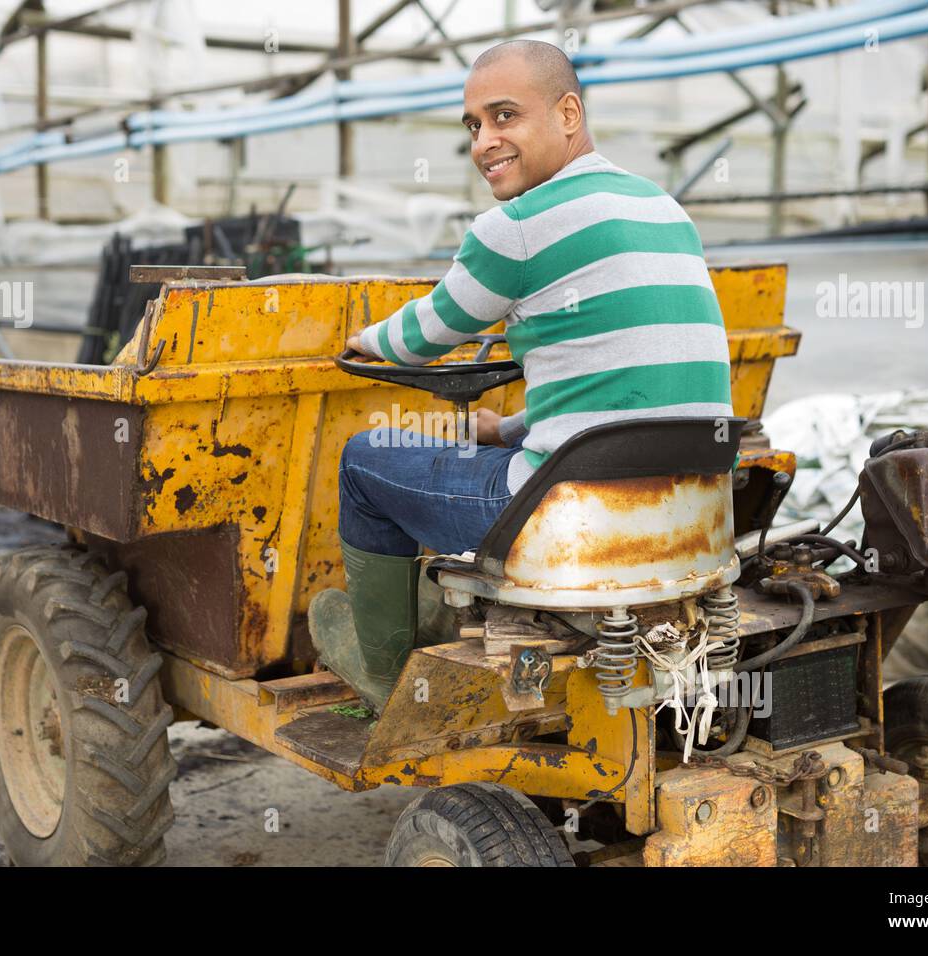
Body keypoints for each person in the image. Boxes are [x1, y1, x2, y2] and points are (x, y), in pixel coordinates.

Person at [311, 39, 734, 713]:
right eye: (473, 126)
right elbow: (611, 382)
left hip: (569, 522)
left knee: (365, 461)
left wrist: (363, 342)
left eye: (504, 116)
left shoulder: (515, 228)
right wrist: (508, 428)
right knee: (475, 450)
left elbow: (425, 335)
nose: (484, 142)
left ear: (568, 113)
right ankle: (439, 617)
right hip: (687, 518)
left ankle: (385, 674)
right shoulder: (662, 209)